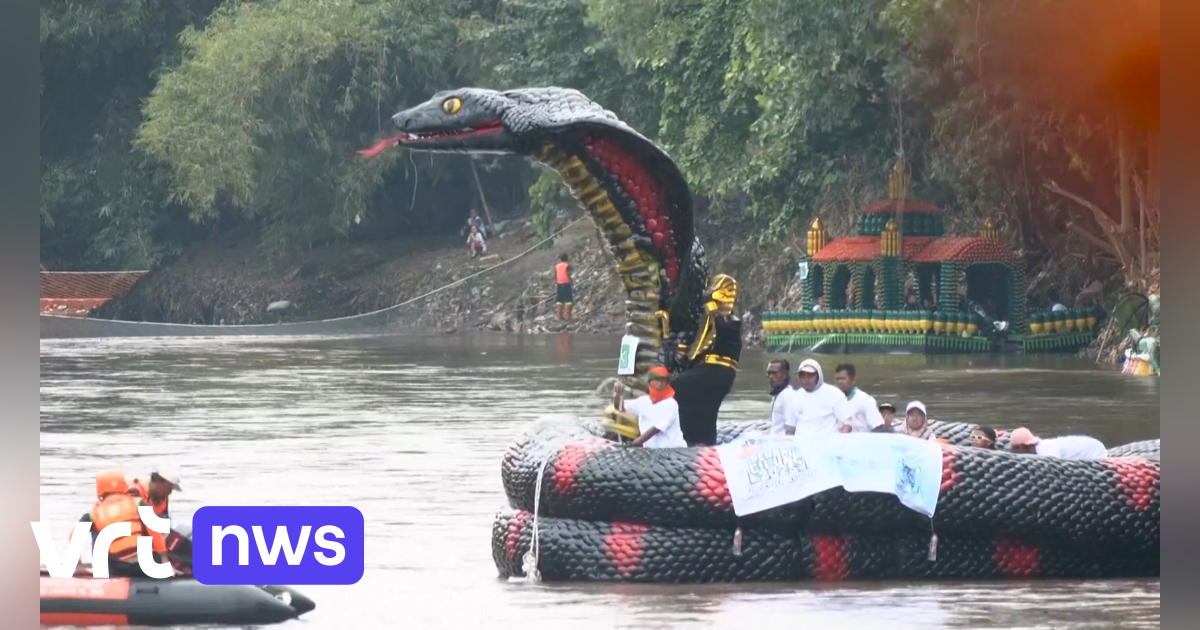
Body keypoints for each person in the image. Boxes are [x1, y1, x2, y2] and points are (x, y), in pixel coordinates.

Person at [671, 274, 742, 446]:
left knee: (677, 386)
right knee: (705, 408)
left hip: (719, 371)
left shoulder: (730, 320)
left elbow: (723, 326)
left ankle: (691, 437)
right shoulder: (713, 321)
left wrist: (713, 309)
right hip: (710, 371)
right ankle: (699, 439)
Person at [75, 469, 169, 578]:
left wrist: (79, 564)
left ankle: (102, 576)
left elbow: (75, 536)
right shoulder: (137, 502)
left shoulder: (94, 513)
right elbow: (154, 529)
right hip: (146, 564)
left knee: (96, 529)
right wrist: (164, 557)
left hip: (119, 568)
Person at [621, 366, 687, 448]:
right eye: (656, 380)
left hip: (673, 450)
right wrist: (617, 393)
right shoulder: (643, 401)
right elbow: (620, 407)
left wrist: (634, 443)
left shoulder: (670, 403)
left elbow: (656, 428)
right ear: (649, 382)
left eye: (663, 380)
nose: (659, 383)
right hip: (652, 451)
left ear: (667, 382)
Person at [784, 359, 853, 437]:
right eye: (802, 375)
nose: (806, 379)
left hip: (827, 445)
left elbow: (847, 423)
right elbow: (790, 428)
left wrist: (840, 442)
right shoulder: (794, 397)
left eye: (810, 375)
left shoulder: (835, 394)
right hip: (801, 445)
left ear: (818, 375)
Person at [832, 363, 889, 433]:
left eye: (843, 379)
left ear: (852, 380)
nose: (839, 382)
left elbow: (878, 426)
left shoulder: (865, 400)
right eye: (837, 379)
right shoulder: (832, 400)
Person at [1008, 427, 1107, 459]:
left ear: (1021, 447)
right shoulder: (1044, 446)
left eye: (1015, 448)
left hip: (1095, 454)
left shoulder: (1046, 452)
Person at [766, 358, 795, 435]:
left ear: (785, 375)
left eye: (775, 373)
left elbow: (791, 427)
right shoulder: (778, 394)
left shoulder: (787, 396)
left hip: (781, 443)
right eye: (769, 373)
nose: (771, 376)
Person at [555, 253, 573, 321]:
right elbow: (569, 275)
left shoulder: (557, 266)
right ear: (567, 258)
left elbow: (555, 275)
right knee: (568, 300)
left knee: (560, 300)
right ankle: (568, 316)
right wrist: (571, 282)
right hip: (566, 284)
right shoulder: (567, 266)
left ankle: (559, 316)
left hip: (559, 284)